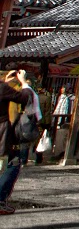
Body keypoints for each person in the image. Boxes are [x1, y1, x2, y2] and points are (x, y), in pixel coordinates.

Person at [0, 71, 34, 214]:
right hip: (2, 130)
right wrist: (23, 81)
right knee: (11, 163)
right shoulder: (3, 88)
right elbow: (25, 97)